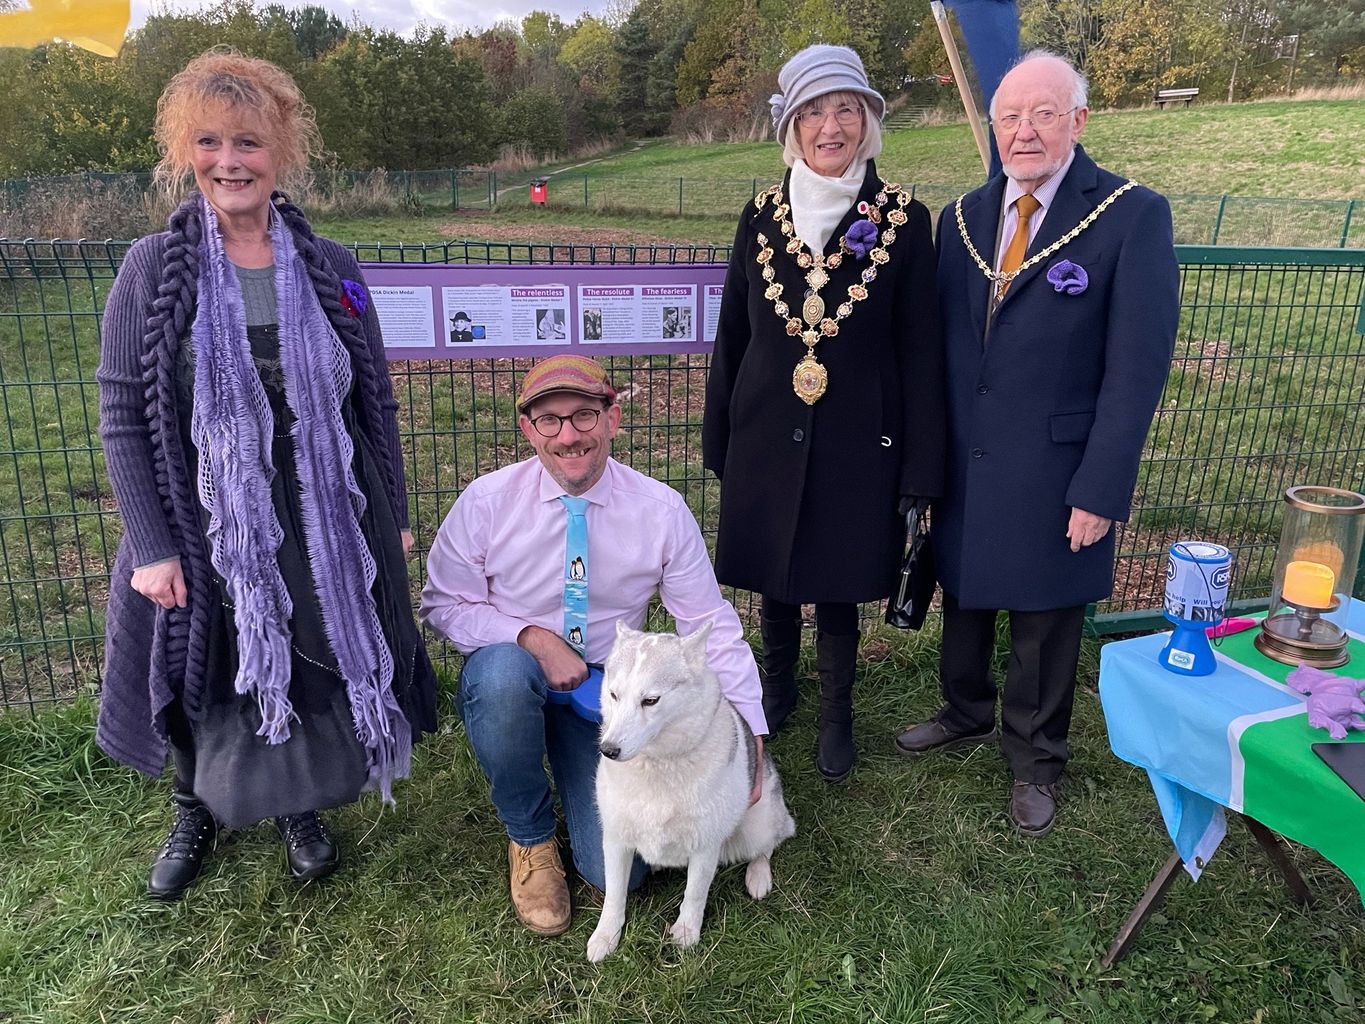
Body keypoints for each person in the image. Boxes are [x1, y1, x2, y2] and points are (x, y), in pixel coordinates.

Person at [96, 49, 437, 900]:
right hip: (203, 509)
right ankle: (194, 806)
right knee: (203, 659)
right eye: (208, 141)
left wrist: (393, 513)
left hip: (321, 506)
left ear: (280, 152)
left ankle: (296, 804)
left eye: (247, 141)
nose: (229, 161)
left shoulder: (333, 266)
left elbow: (374, 401)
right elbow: (123, 412)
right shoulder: (151, 267)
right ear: (184, 152)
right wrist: (152, 544)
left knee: (305, 652)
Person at [895, 51, 1178, 837]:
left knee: (1045, 618)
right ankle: (964, 709)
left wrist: (1101, 486)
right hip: (967, 456)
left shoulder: (1129, 214)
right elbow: (939, 349)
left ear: (1077, 121)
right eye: (1009, 117)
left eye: (1043, 114)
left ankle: (1035, 757)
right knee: (963, 591)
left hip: (1060, 462)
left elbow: (1136, 369)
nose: (1023, 132)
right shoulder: (960, 218)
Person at [420, 354, 765, 937]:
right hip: (516, 673)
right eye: (549, 420)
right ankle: (530, 836)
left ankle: (572, 760)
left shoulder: (660, 511)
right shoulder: (485, 503)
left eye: (583, 415)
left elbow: (707, 622)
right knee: (502, 678)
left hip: (609, 693)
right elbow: (442, 604)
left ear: (612, 418)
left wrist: (749, 728)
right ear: (528, 428)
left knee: (619, 874)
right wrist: (532, 638)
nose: (568, 436)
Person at [702, 44, 945, 782]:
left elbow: (920, 348)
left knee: (839, 575)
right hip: (765, 427)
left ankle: (837, 712)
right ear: (792, 127)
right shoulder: (759, 215)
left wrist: (922, 465)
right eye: (812, 113)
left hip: (859, 436)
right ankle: (776, 688)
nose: (829, 127)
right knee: (773, 570)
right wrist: (720, 436)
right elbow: (733, 332)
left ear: (868, 121)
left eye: (845, 109)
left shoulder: (904, 219)